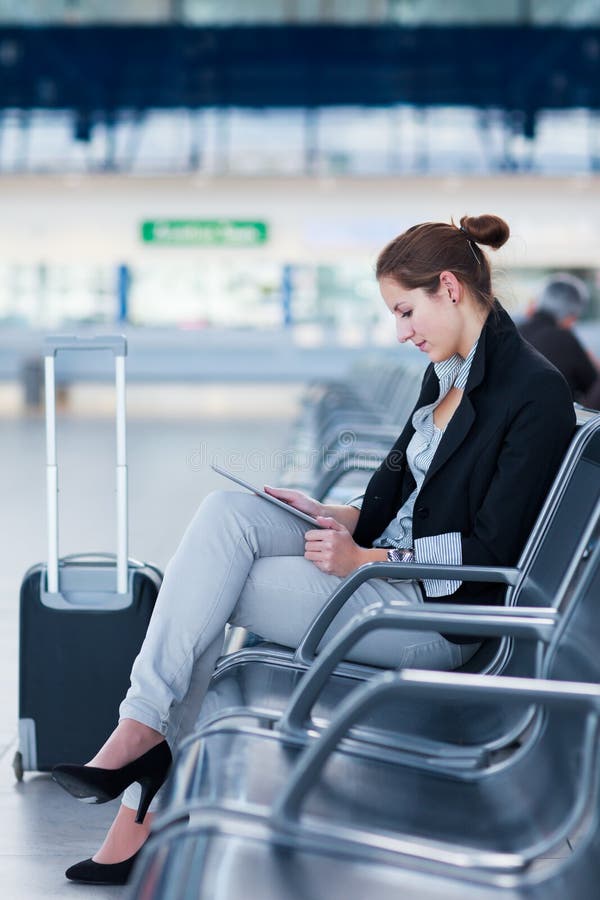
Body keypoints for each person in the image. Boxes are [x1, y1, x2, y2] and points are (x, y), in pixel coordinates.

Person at [52, 214, 576, 885]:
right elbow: (395, 489)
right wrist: (336, 513)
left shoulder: (534, 392)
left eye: (405, 310)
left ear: (449, 286)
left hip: (430, 616)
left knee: (213, 589)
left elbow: (493, 552)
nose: (401, 331)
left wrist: (365, 562)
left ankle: (138, 773)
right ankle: (142, 734)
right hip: (380, 571)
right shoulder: (447, 371)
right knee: (228, 516)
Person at [519, 273, 600, 407]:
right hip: (551, 422)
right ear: (571, 317)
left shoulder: (515, 331)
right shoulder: (565, 340)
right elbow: (592, 386)